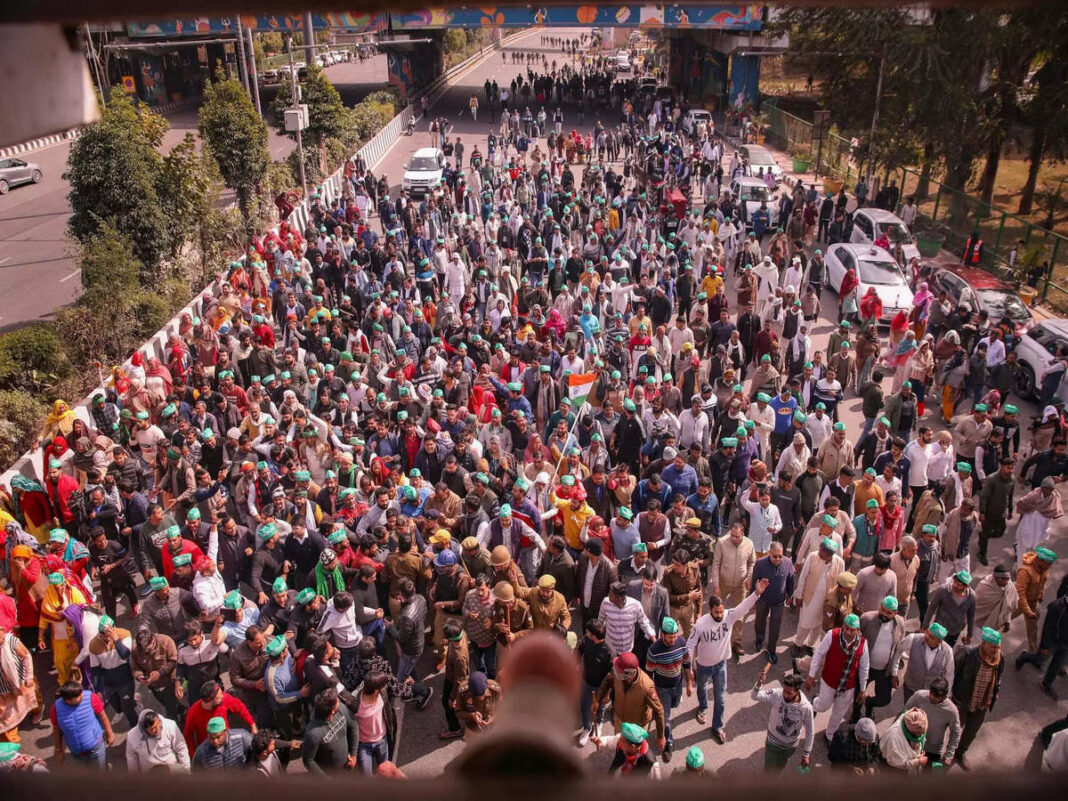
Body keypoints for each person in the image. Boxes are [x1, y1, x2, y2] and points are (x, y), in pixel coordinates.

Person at [685, 577, 768, 742]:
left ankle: (717, 726)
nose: (719, 615)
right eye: (716, 612)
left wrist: (756, 594)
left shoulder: (728, 616)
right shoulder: (701, 624)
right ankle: (702, 707)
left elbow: (742, 608)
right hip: (703, 666)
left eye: (721, 611)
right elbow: (690, 645)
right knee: (701, 688)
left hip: (721, 665)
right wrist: (688, 670)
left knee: (720, 698)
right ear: (710, 610)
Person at [806, 614, 869, 743]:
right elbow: (818, 655)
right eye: (846, 628)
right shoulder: (832, 635)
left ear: (858, 631)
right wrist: (811, 675)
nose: (848, 632)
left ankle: (830, 735)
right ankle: (815, 704)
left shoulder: (863, 644)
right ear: (843, 626)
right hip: (829, 680)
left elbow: (864, 667)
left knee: (838, 713)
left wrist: (862, 689)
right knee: (824, 706)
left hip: (848, 686)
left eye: (852, 630)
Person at [951, 627, 1005, 770]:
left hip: (982, 703)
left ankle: (960, 752)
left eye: (998, 647)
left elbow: (998, 677)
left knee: (972, 730)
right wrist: (949, 694)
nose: (995, 650)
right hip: (962, 701)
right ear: (983, 643)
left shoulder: (1000, 659)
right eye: (993, 647)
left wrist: (995, 690)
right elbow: (952, 672)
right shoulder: (967, 653)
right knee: (955, 728)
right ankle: (947, 751)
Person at [750, 671, 813, 772]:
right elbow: (754, 696)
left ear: (797, 691)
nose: (785, 695)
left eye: (789, 693)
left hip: (790, 747)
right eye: (784, 690)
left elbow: (810, 731)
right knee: (769, 770)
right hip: (773, 743)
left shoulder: (806, 708)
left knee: (780, 767)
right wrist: (758, 684)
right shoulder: (777, 694)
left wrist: (806, 753)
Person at [50, 680, 115, 769]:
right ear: (68, 700)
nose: (82, 696)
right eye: (78, 696)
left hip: (95, 746)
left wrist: (110, 734)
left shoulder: (92, 698)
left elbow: (102, 716)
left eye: (81, 693)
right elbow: (57, 729)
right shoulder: (56, 709)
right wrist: (59, 750)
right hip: (75, 751)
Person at [904, 678, 961, 768]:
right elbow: (905, 713)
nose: (931, 699)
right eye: (930, 695)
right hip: (913, 744)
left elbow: (955, 733)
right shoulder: (919, 696)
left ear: (944, 697)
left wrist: (949, 755)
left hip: (934, 750)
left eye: (935, 699)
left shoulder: (951, 711)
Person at [125, 709, 190, 773]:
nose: (158, 729)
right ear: (143, 729)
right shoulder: (131, 736)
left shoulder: (171, 725)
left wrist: (186, 769)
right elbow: (131, 758)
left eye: (158, 723)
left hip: (170, 769)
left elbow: (181, 747)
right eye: (152, 729)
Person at [591, 721, 662, 778]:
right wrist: (601, 741)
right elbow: (609, 740)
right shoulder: (622, 743)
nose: (619, 741)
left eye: (622, 741)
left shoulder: (651, 764)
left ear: (633, 746)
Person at [880, 706, 929, 772]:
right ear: (911, 730)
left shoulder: (909, 721)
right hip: (894, 770)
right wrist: (917, 761)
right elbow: (898, 762)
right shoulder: (894, 738)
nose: (920, 736)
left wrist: (918, 756)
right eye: (918, 733)